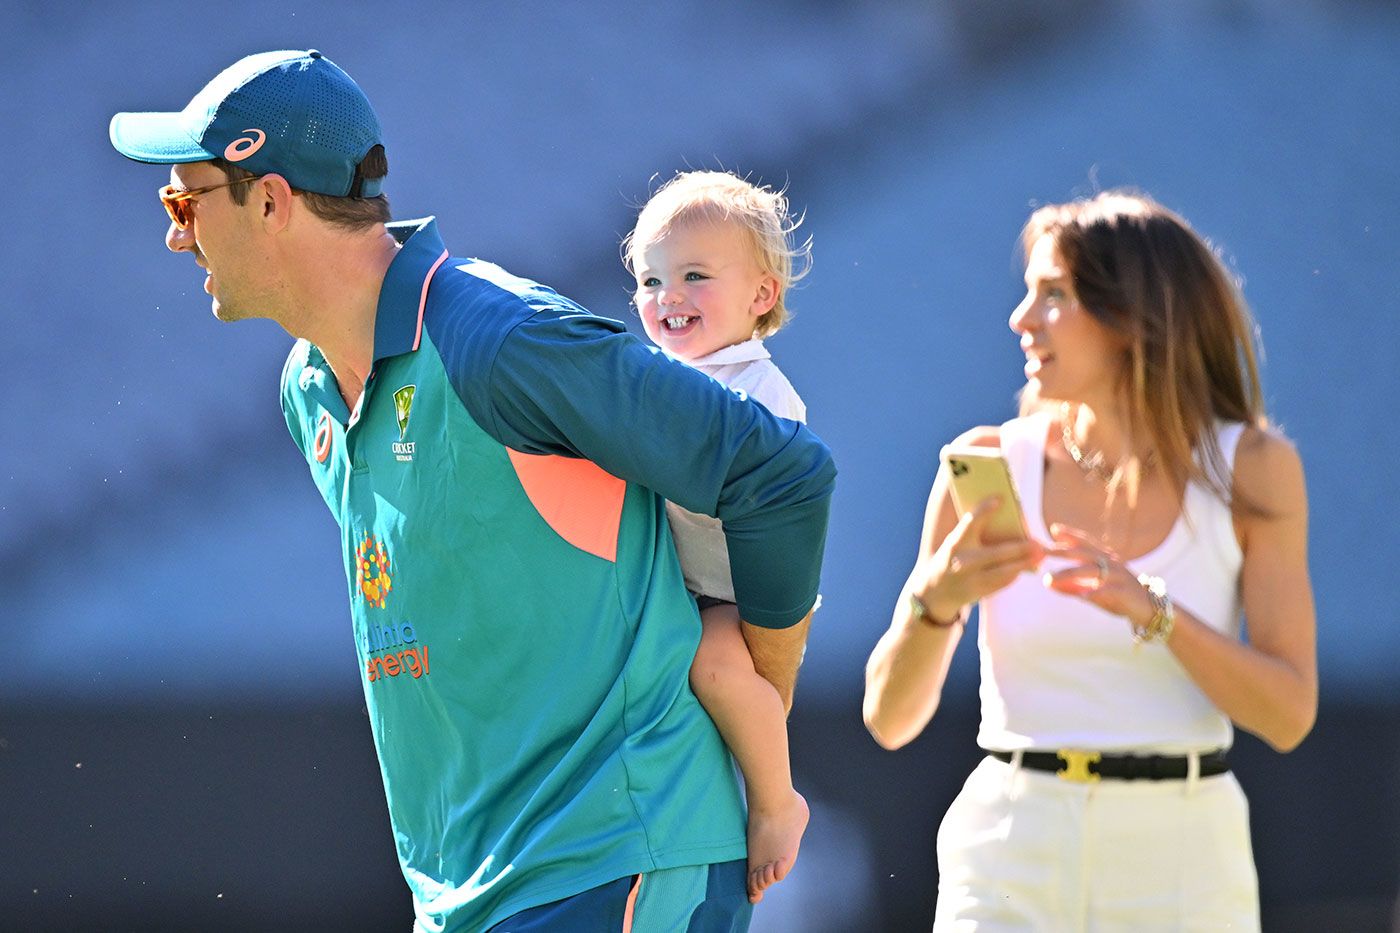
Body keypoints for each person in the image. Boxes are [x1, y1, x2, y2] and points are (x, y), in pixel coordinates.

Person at [109, 50, 835, 933]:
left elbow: (785, 473)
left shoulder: (499, 339)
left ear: (270, 200)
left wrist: (767, 682)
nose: (176, 235)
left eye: (185, 203)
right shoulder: (308, 387)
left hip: (613, 862)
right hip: (468, 892)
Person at [862, 190, 1316, 930]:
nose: (1020, 319)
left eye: (1054, 295)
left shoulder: (1254, 467)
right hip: (1008, 849)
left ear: (1136, 318)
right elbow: (888, 718)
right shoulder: (985, 463)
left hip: (1184, 859)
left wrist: (1156, 614)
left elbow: (1289, 713)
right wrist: (935, 599)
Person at [624, 170, 812, 904]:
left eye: (694, 276)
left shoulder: (760, 391)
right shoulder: (644, 375)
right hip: (671, 583)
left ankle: (775, 798)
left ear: (760, 296)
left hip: (737, 599)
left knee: (716, 662)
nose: (667, 296)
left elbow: (755, 479)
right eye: (649, 279)